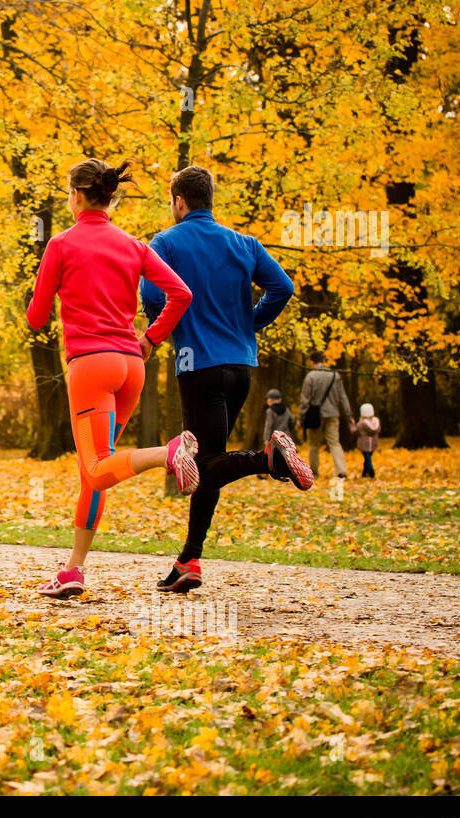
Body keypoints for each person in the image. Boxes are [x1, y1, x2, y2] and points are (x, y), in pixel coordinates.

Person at [28, 157, 198, 599]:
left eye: (68, 193)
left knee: (98, 470)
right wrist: (152, 337)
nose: (68, 200)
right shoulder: (134, 245)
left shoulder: (61, 245)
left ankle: (170, 452)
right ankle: (72, 571)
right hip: (131, 368)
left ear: (79, 196)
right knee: (94, 473)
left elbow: (36, 317)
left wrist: (46, 288)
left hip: (91, 367)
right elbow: (181, 293)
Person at [141, 165, 313, 594]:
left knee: (199, 464)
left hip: (198, 366)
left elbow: (148, 292)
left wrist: (161, 329)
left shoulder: (166, 242)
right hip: (241, 367)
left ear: (179, 202)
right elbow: (283, 288)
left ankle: (268, 460)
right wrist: (250, 326)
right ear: (209, 199)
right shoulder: (245, 243)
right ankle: (189, 561)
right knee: (210, 464)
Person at [299, 351, 352, 479]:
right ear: (323, 361)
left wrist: (301, 418)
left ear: (312, 362)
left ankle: (314, 473)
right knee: (334, 443)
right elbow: (342, 397)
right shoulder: (335, 376)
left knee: (313, 445)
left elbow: (305, 400)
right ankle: (341, 471)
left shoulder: (310, 377)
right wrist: (349, 415)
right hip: (333, 414)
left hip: (315, 417)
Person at [351, 402, 381, 478]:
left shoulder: (361, 424)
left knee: (368, 459)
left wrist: (352, 425)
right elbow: (378, 430)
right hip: (373, 444)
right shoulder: (376, 422)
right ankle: (364, 473)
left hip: (364, 445)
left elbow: (355, 431)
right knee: (367, 458)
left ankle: (371, 472)